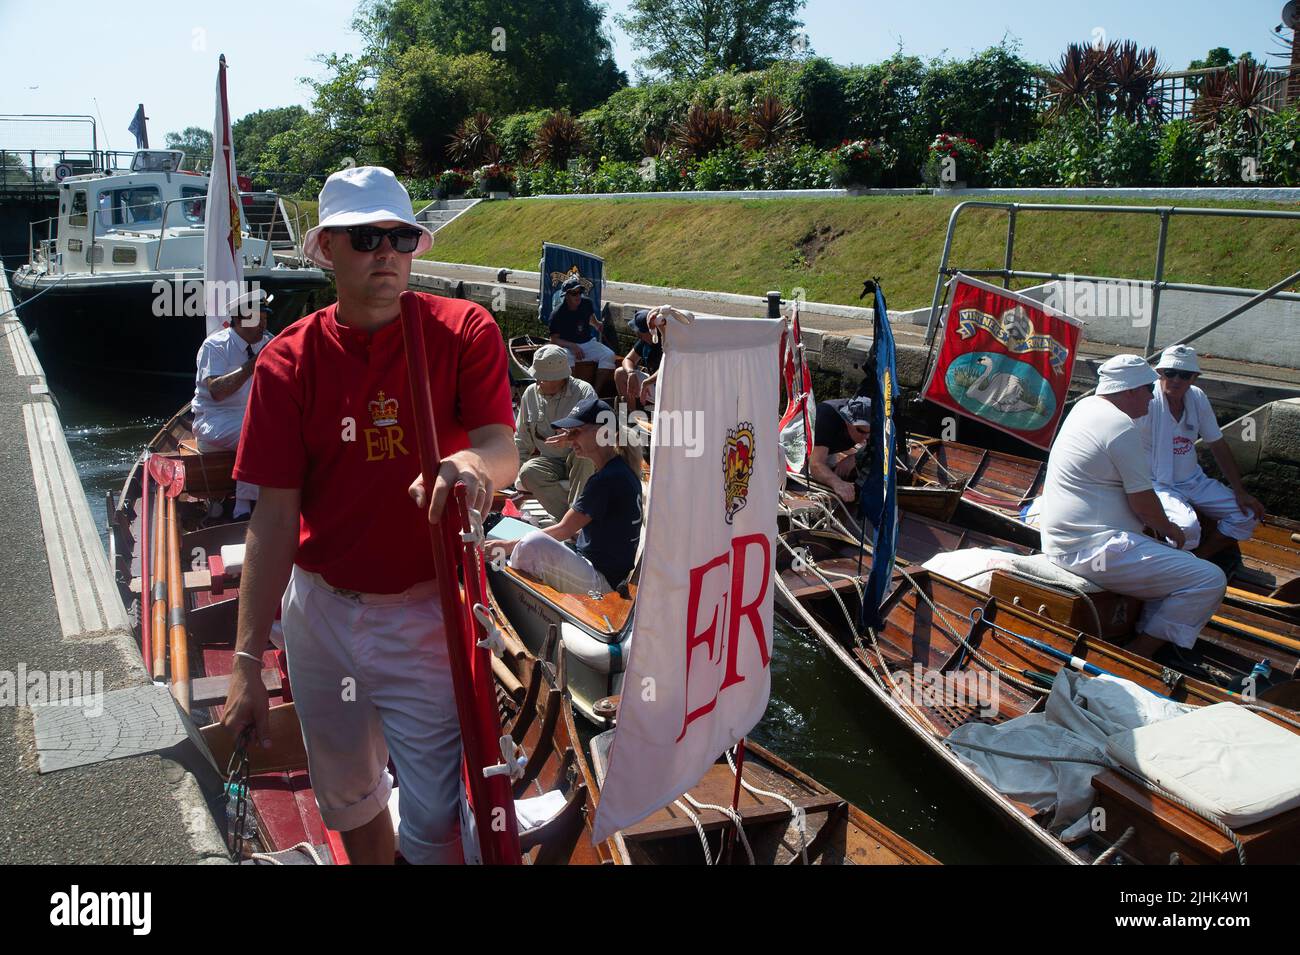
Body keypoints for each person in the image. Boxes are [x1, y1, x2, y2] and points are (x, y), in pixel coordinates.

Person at [221, 165, 518, 865]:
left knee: (436, 812)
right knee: (347, 792)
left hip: (427, 609)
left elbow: (500, 446)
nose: (386, 251)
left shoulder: (463, 329)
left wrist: (474, 468)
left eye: (400, 235)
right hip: (322, 612)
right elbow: (273, 516)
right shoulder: (287, 363)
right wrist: (244, 659)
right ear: (326, 250)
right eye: (364, 237)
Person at [1039, 354, 1226, 660]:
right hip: (1093, 548)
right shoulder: (1121, 426)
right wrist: (1170, 530)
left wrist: (1159, 531)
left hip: (1068, 540)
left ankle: (1142, 630)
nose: (1153, 398)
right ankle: (1138, 654)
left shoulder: (1084, 408)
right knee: (1209, 578)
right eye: (1147, 390)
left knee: (1175, 556)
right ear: (1128, 390)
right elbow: (1143, 503)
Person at [491, 397, 642, 595]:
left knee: (529, 544)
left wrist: (506, 546)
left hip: (601, 583)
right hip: (603, 570)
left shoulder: (606, 479)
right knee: (521, 533)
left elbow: (563, 529)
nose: (570, 440)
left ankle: (503, 588)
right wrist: (576, 438)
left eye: (575, 432)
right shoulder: (620, 469)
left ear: (601, 433)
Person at [1138, 344, 1263, 561]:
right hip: (1156, 483)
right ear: (1159, 373)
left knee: (1247, 515)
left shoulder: (1197, 398)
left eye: (1185, 375)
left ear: (1194, 378)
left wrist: (1239, 491)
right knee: (1187, 528)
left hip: (1193, 480)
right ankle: (1172, 567)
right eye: (1170, 373)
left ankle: (1200, 561)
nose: (1177, 380)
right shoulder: (1146, 401)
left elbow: (1217, 443)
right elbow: (1120, 441)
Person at [192, 288, 274, 519]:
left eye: (266, 319)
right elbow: (217, 391)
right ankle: (244, 505)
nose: (264, 326)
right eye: (259, 319)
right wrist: (253, 364)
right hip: (215, 419)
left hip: (255, 416)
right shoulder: (215, 346)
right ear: (239, 320)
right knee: (256, 432)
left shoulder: (271, 343)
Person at [515, 343, 596, 521]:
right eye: (538, 377)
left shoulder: (584, 392)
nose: (539, 381)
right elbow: (521, 438)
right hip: (551, 461)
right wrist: (517, 473)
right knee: (528, 471)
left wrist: (571, 439)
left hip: (580, 456)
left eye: (544, 378)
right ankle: (573, 521)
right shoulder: (530, 394)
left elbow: (595, 433)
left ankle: (575, 520)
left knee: (584, 456)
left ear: (562, 377)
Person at [548, 274, 617, 393]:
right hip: (567, 346)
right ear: (566, 295)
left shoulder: (586, 303)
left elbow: (591, 318)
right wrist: (573, 346)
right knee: (565, 358)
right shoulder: (557, 314)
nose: (578, 296)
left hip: (587, 342)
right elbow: (554, 340)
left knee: (609, 355)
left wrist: (597, 325)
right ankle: (572, 392)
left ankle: (595, 392)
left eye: (579, 292)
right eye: (574, 293)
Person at [808, 397, 871, 502]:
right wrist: (837, 483)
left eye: (870, 432)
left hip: (829, 447)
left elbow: (880, 449)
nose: (866, 438)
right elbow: (815, 464)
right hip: (799, 447)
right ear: (847, 422)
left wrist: (855, 457)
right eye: (861, 431)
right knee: (810, 481)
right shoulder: (826, 416)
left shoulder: (872, 419)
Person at [614, 308, 662, 413]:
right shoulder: (643, 341)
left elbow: (665, 369)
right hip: (651, 384)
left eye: (637, 330)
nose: (635, 332)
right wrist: (631, 374)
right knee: (620, 373)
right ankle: (633, 415)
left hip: (666, 388)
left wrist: (647, 382)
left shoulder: (664, 343)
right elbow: (628, 359)